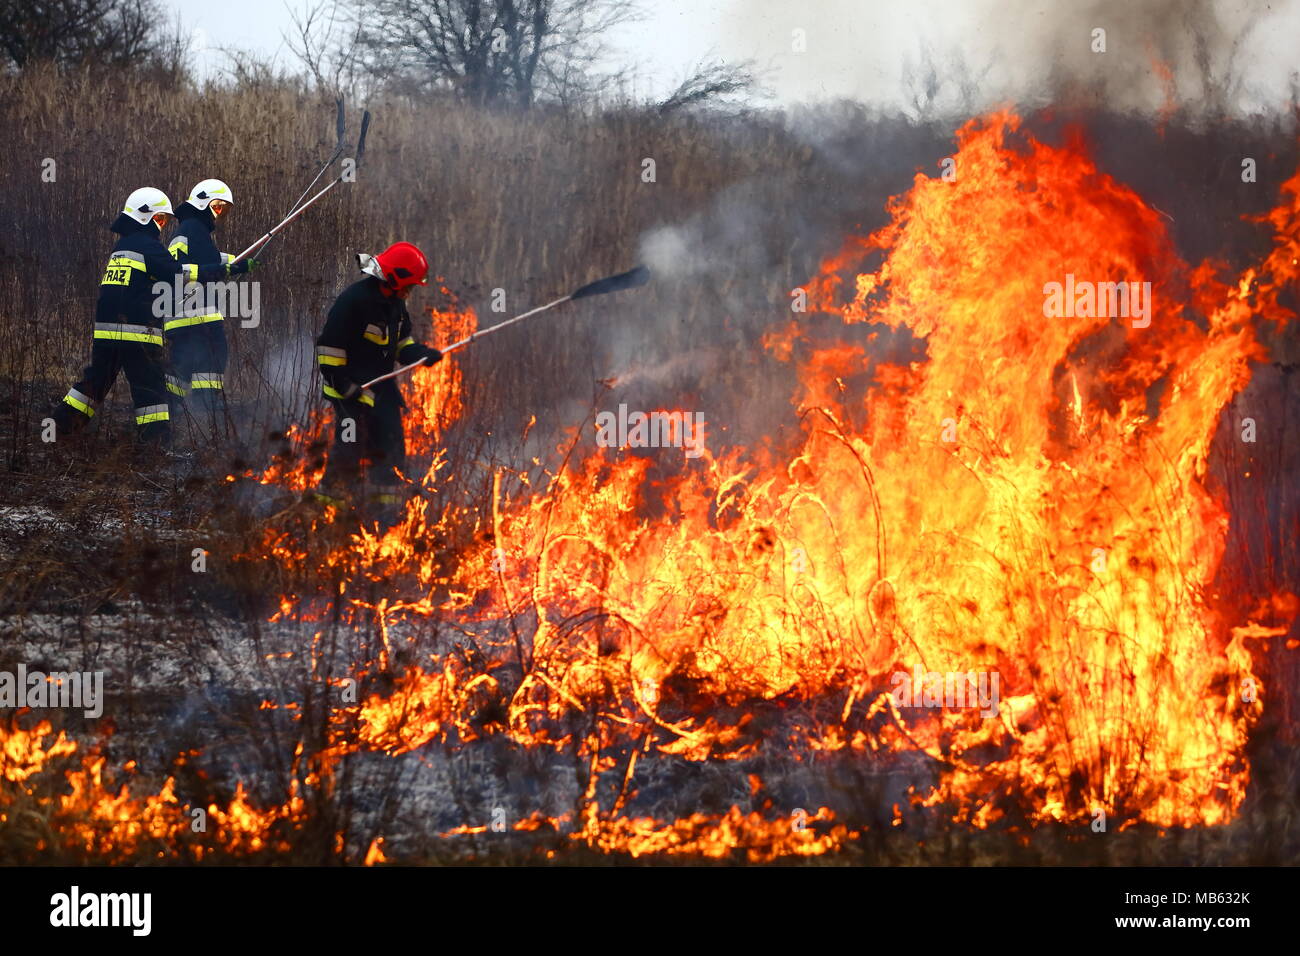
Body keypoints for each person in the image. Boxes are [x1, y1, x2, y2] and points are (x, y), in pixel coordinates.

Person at [53, 187, 253, 450]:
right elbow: (179, 272)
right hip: (137, 334)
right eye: (160, 219)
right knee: (151, 391)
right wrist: (222, 270)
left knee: (94, 383)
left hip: (106, 333)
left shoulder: (122, 247)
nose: (162, 226)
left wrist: (223, 264)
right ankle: (156, 445)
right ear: (144, 216)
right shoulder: (148, 246)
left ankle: (59, 428)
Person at [313, 241, 442, 516]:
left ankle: (384, 513)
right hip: (348, 391)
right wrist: (345, 386)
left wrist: (421, 355)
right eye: (409, 286)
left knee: (391, 447)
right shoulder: (354, 301)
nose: (410, 292)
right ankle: (327, 512)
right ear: (394, 279)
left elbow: (401, 344)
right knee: (350, 448)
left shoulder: (395, 305)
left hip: (380, 389)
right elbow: (329, 349)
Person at [166, 178, 259, 441]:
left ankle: (167, 420)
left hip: (178, 317)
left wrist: (239, 264)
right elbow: (210, 266)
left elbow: (211, 260)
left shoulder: (185, 231)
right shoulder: (195, 228)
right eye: (218, 207)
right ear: (203, 203)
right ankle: (206, 419)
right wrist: (231, 268)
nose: (220, 214)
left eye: (224, 209)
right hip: (198, 315)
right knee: (213, 359)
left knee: (179, 369)